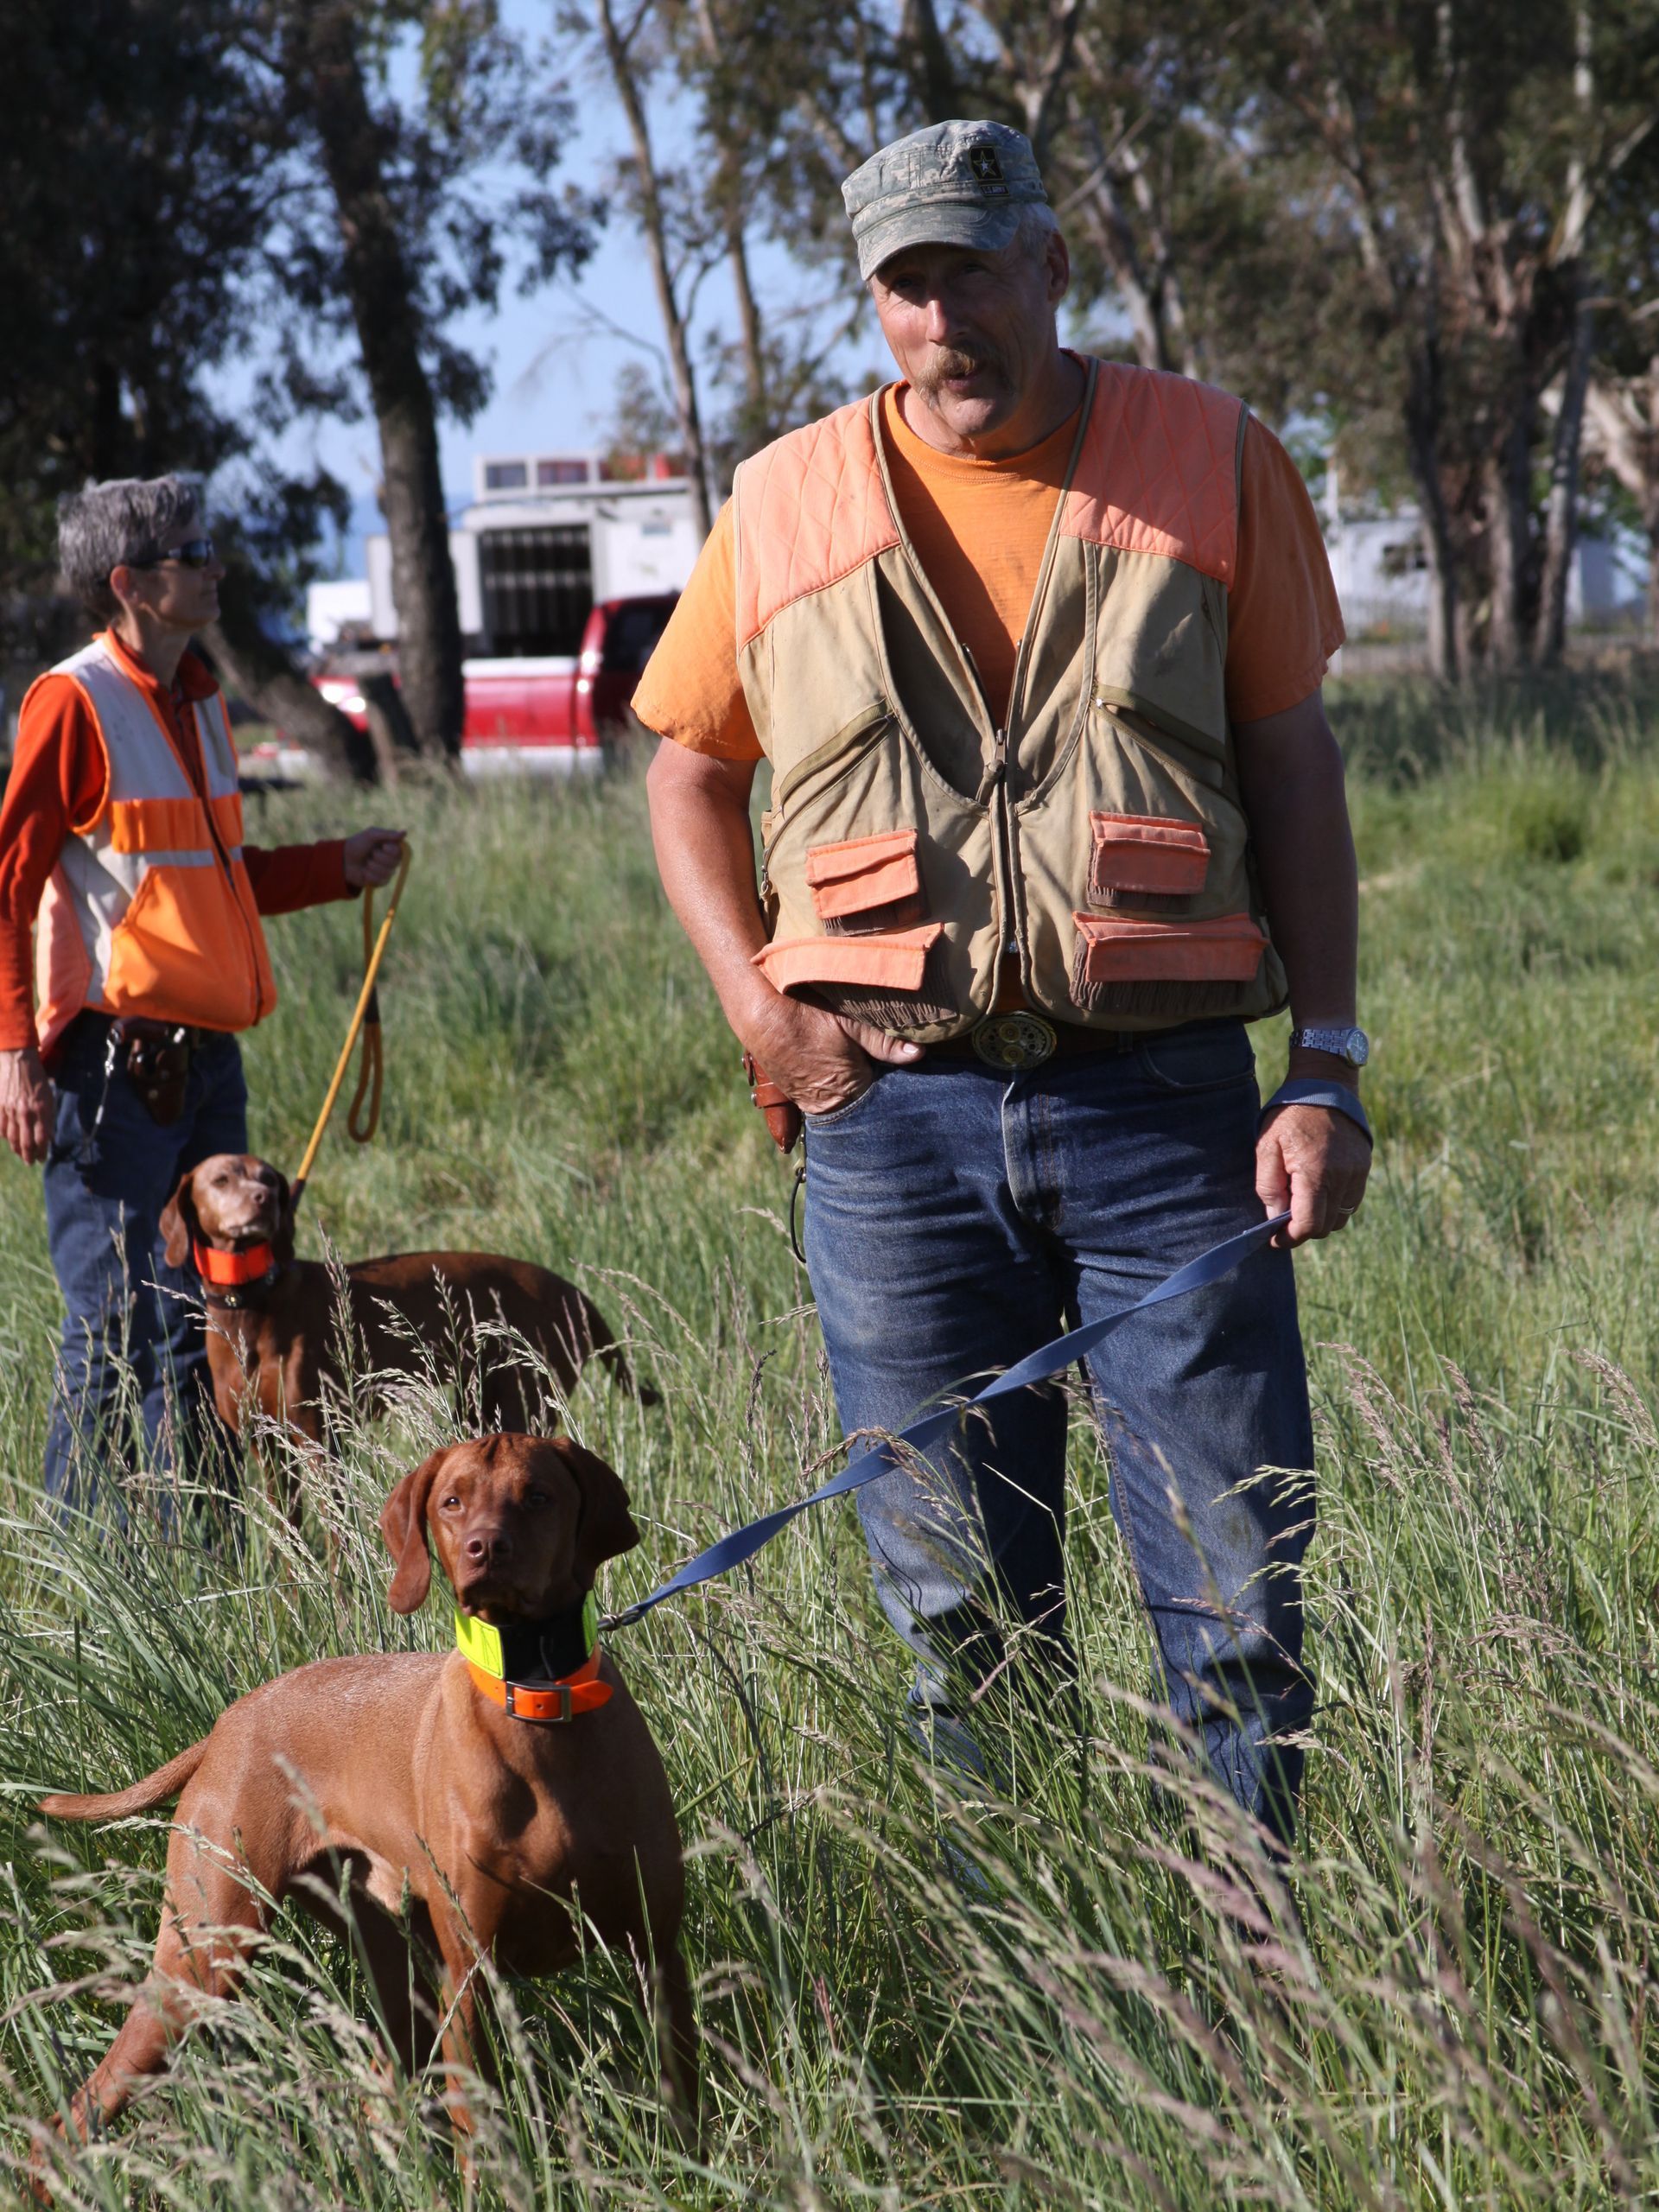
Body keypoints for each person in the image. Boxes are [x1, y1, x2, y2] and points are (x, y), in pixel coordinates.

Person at [636, 121, 1373, 1853]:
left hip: (1172, 1103)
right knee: (959, 1617)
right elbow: (682, 771)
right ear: (874, 304)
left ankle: (1259, 1995)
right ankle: (1020, 1999)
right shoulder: (782, 496)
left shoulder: (1212, 455)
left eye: (971, 265)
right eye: (907, 281)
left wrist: (1325, 1064)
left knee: (1238, 1594)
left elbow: (1296, 765)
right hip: (892, 1124)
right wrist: (759, 1005)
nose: (940, 311)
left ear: (1054, 262)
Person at [0, 475, 404, 1513]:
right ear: (130, 582)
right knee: (114, 1321)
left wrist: (336, 864)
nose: (215, 566)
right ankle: (83, 1576)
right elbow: (6, 884)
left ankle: (205, 1563)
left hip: (206, 1062)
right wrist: (13, 1054)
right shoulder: (72, 699)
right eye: (193, 552)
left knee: (213, 1316)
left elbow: (224, 873)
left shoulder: (203, 697)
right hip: (106, 1061)